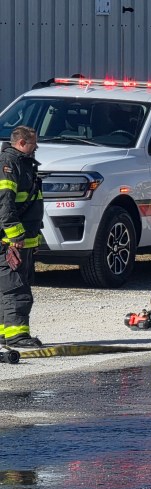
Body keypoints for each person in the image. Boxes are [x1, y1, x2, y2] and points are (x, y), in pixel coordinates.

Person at [0, 126, 43, 348]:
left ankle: (5, 334)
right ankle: (17, 336)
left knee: (8, 287)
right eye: (34, 143)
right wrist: (15, 234)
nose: (36, 147)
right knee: (16, 289)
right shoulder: (10, 165)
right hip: (11, 240)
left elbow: (31, 202)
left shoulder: (21, 163)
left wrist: (36, 234)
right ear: (22, 143)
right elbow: (5, 203)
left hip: (21, 237)